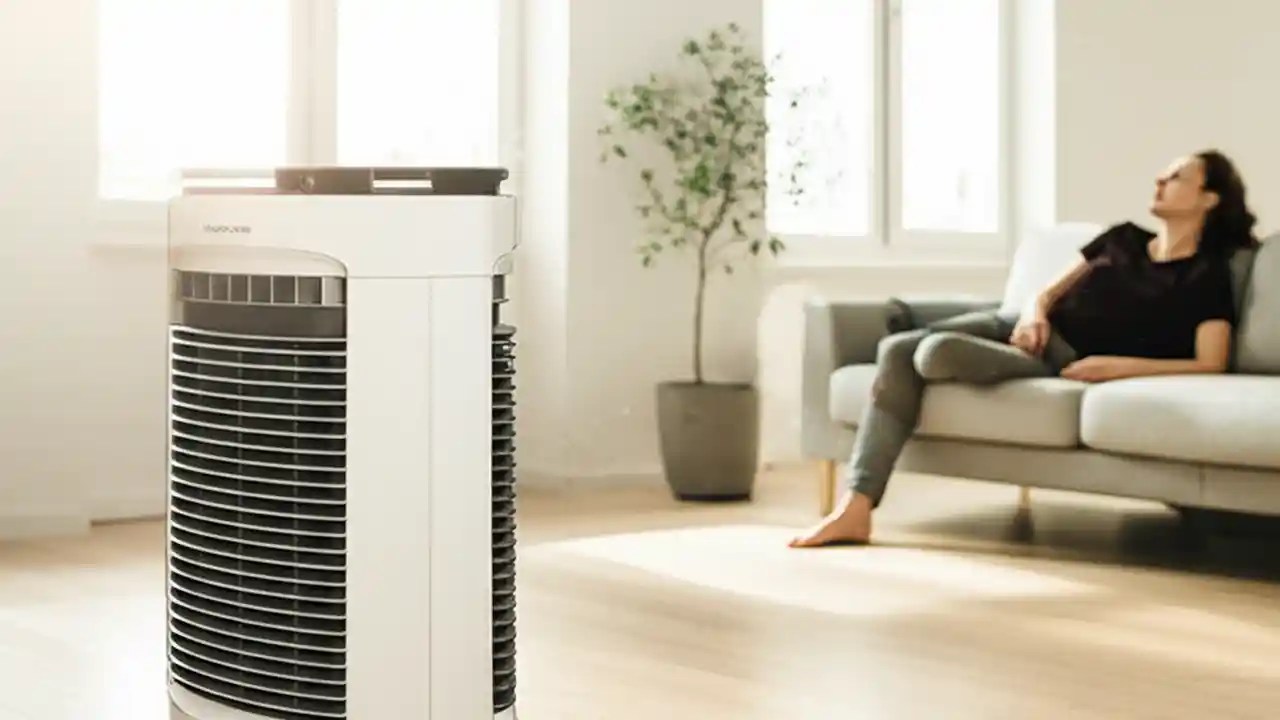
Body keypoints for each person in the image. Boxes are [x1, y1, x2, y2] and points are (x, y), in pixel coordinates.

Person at [790, 150, 1260, 548]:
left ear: (1208, 198)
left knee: (931, 354)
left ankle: (924, 327)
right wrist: (1034, 314)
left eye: (1176, 176)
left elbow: (1209, 362)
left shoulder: (1207, 275)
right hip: (1019, 326)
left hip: (1056, 357)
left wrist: (1117, 367)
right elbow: (1046, 292)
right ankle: (855, 508)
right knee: (896, 350)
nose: (1159, 180)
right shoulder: (1121, 238)